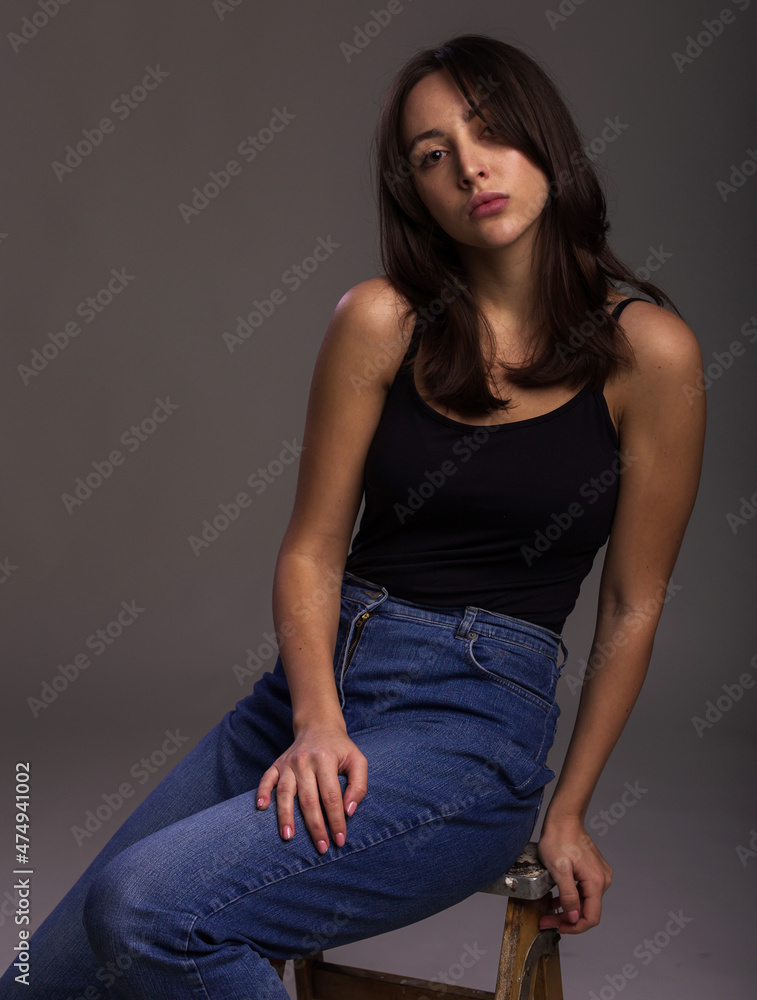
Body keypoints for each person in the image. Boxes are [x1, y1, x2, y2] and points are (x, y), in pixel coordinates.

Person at [0, 32, 706, 999]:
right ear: (413, 192)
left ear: (546, 142)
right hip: (312, 695)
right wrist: (317, 722)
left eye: (490, 130)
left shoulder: (648, 353)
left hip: (468, 724)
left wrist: (570, 809)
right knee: (40, 979)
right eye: (431, 155)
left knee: (147, 912)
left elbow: (632, 603)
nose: (469, 166)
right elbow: (310, 550)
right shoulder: (381, 321)